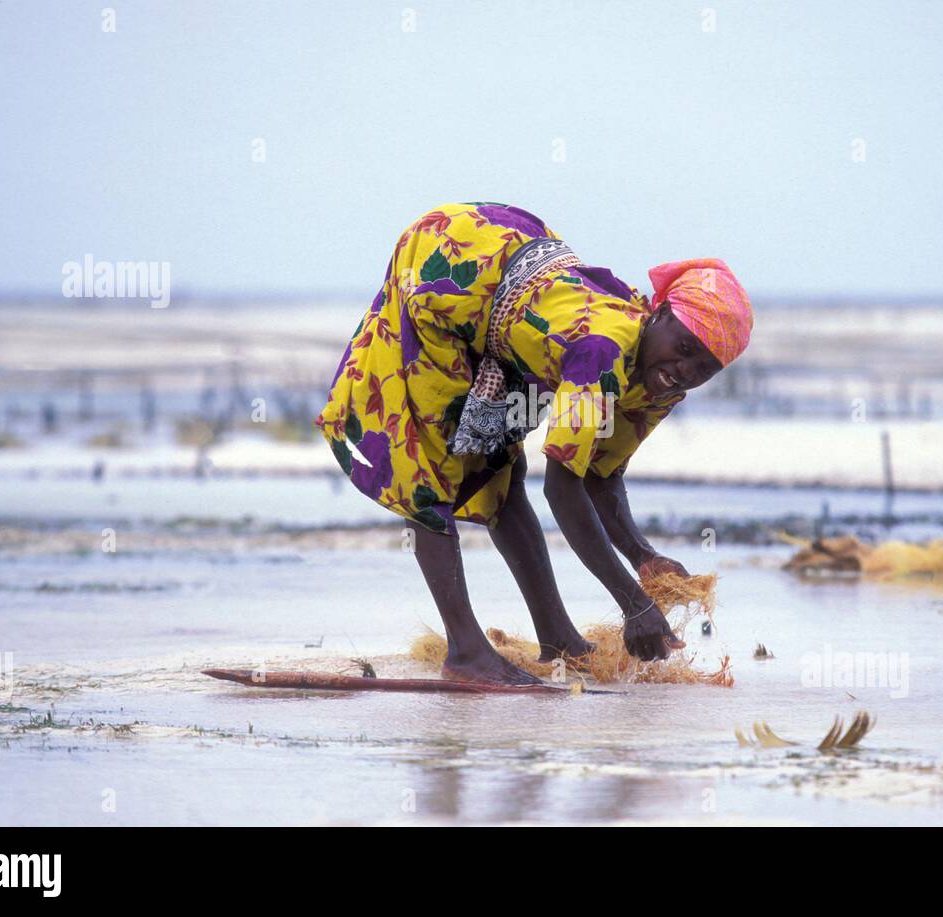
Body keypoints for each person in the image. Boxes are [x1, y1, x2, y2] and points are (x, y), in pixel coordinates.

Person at [318, 203, 752, 684]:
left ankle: (556, 637)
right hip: (454, 267)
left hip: (516, 309)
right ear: (660, 314)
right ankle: (465, 650)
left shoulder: (661, 381)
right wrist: (633, 603)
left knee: (503, 470)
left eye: (705, 369)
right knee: (433, 472)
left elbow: (599, 476)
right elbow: (562, 489)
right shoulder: (603, 351)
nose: (686, 370)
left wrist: (644, 557)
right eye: (685, 347)